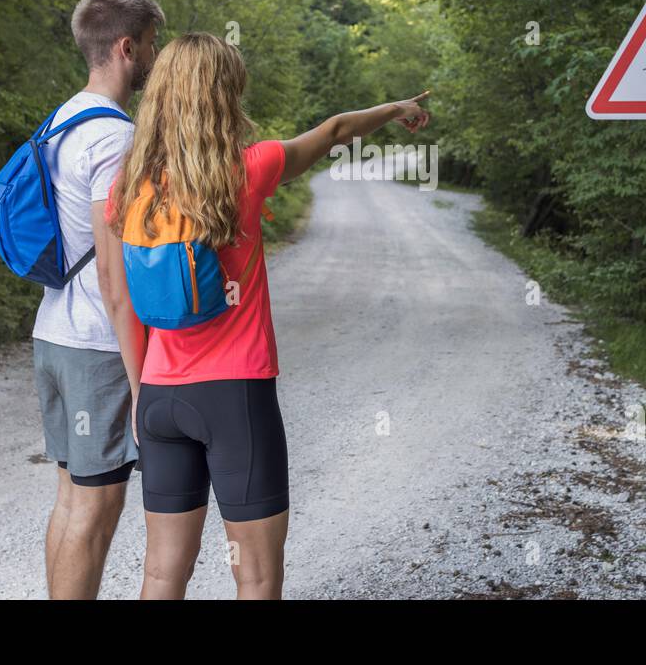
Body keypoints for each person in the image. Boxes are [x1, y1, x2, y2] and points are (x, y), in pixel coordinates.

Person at [92, 32, 429, 599]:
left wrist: (138, 390)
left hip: (158, 398)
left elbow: (121, 301)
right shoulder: (250, 169)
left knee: (159, 573)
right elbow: (337, 130)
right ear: (224, 97)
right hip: (235, 395)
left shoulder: (128, 189)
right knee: (257, 576)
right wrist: (396, 109)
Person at [32, 0, 163, 599]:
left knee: (70, 499)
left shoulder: (61, 119)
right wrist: (142, 385)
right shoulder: (114, 137)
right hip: (95, 347)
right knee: (97, 507)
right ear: (126, 47)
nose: (156, 62)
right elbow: (114, 277)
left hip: (53, 333)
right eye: (152, 48)